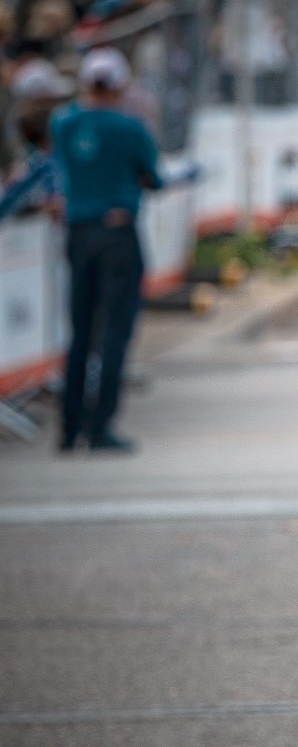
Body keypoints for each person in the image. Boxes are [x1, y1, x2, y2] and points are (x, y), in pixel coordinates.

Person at [51, 48, 166, 453]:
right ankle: (99, 425)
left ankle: (69, 428)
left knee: (80, 331)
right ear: (119, 86)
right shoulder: (129, 128)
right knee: (114, 332)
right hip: (117, 233)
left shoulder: (63, 124)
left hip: (79, 232)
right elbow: (154, 177)